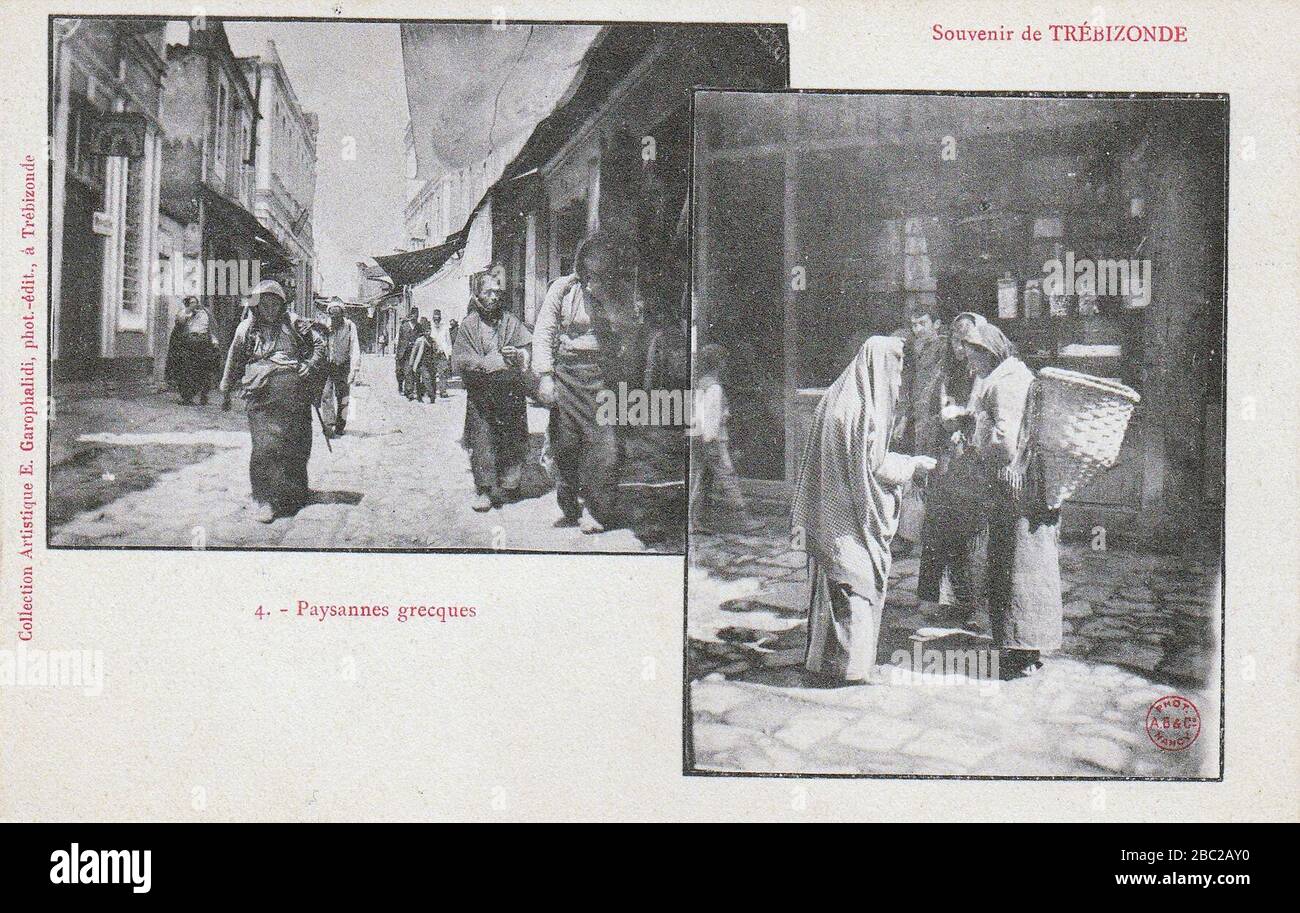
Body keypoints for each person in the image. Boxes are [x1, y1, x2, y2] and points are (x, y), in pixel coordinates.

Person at [790, 336, 936, 684]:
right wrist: (912, 465)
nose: (898, 381)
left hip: (830, 506)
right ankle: (850, 667)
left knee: (833, 580)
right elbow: (875, 465)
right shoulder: (863, 409)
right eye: (896, 371)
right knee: (857, 581)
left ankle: (822, 660)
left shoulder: (838, 396)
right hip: (848, 515)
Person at [958, 318, 1063, 679]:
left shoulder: (1003, 384)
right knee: (1029, 566)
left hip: (1010, 488)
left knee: (1011, 566)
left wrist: (975, 445)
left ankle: (1017, 651)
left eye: (974, 358)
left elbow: (1003, 444)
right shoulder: (1017, 375)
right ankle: (1027, 649)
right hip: (1029, 487)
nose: (971, 366)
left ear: (989, 353)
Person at [532, 232, 624, 533]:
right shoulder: (563, 288)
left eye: (602, 270)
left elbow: (627, 331)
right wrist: (545, 377)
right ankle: (568, 497)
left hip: (603, 378)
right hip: (568, 375)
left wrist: (606, 301)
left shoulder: (614, 293)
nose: (593, 276)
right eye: (590, 269)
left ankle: (597, 510)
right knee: (566, 444)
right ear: (581, 264)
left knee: (604, 445)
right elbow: (544, 332)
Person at [219, 280, 327, 523]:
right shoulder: (246, 329)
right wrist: (226, 389)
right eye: (264, 304)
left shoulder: (294, 323)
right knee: (265, 447)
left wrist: (309, 365)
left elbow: (319, 344)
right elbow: (234, 359)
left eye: (274, 304)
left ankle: (294, 494)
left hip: (294, 394)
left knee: (296, 444)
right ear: (256, 306)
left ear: (282, 304)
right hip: (261, 395)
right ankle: (264, 499)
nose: (269, 309)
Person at [917, 311, 992, 630]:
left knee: (973, 534)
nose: (961, 348)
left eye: (967, 341)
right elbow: (927, 412)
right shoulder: (944, 371)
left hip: (974, 464)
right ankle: (933, 598)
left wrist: (968, 419)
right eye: (956, 340)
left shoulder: (987, 374)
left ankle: (974, 603)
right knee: (937, 527)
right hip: (946, 459)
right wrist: (942, 417)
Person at [452, 267, 532, 511]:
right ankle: (484, 490)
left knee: (512, 436)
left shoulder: (511, 321)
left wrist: (518, 354)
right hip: (481, 392)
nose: (494, 297)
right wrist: (483, 363)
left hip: (509, 390)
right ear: (478, 295)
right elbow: (458, 359)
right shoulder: (468, 325)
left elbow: (528, 348)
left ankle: (510, 483)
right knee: (482, 438)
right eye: (489, 292)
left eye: (497, 293)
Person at [690, 343, 760, 532]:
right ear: (718, 363)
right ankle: (743, 520)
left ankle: (695, 521)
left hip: (699, 438)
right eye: (723, 361)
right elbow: (710, 417)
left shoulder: (701, 383)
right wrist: (711, 441)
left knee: (701, 480)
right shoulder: (714, 388)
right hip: (713, 440)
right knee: (728, 478)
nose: (725, 364)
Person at [164, 295, 219, 405]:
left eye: (195, 302)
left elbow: (212, 327)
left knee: (205, 370)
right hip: (189, 344)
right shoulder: (184, 313)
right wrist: (189, 312)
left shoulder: (205, 312)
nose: (194, 304)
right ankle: (187, 397)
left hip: (203, 342)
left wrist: (214, 340)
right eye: (191, 302)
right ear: (187, 304)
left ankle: (204, 395)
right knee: (188, 371)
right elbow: (179, 323)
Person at [321, 304, 360, 436]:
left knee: (344, 397)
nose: (334, 319)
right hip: (328, 364)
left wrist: (354, 369)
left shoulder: (350, 326)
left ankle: (340, 425)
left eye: (337, 316)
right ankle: (328, 424)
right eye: (332, 316)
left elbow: (355, 347)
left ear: (342, 315)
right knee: (326, 393)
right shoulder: (326, 325)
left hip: (343, 365)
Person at [406, 317, 442, 403]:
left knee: (429, 380)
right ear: (423, 332)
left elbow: (436, 350)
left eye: (429, 331)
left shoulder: (433, 340)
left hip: (431, 363)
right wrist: (411, 364)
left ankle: (421, 396)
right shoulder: (420, 341)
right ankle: (431, 395)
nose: (428, 333)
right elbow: (414, 353)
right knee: (425, 379)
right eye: (426, 331)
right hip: (421, 364)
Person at [395, 307, 420, 394]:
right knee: (400, 372)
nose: (415, 318)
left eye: (417, 316)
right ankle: (400, 385)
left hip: (412, 352)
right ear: (410, 315)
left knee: (409, 370)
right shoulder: (404, 327)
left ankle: (409, 390)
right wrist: (398, 354)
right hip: (403, 352)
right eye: (413, 315)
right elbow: (400, 340)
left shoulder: (418, 327)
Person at [429, 309, 452, 398]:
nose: (436, 320)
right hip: (433, 354)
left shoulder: (445, 328)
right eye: (435, 319)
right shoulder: (430, 328)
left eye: (438, 319)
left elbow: (449, 342)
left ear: (440, 319)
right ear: (432, 318)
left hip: (443, 353)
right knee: (432, 373)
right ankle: (432, 390)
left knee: (443, 373)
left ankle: (443, 391)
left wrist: (449, 353)